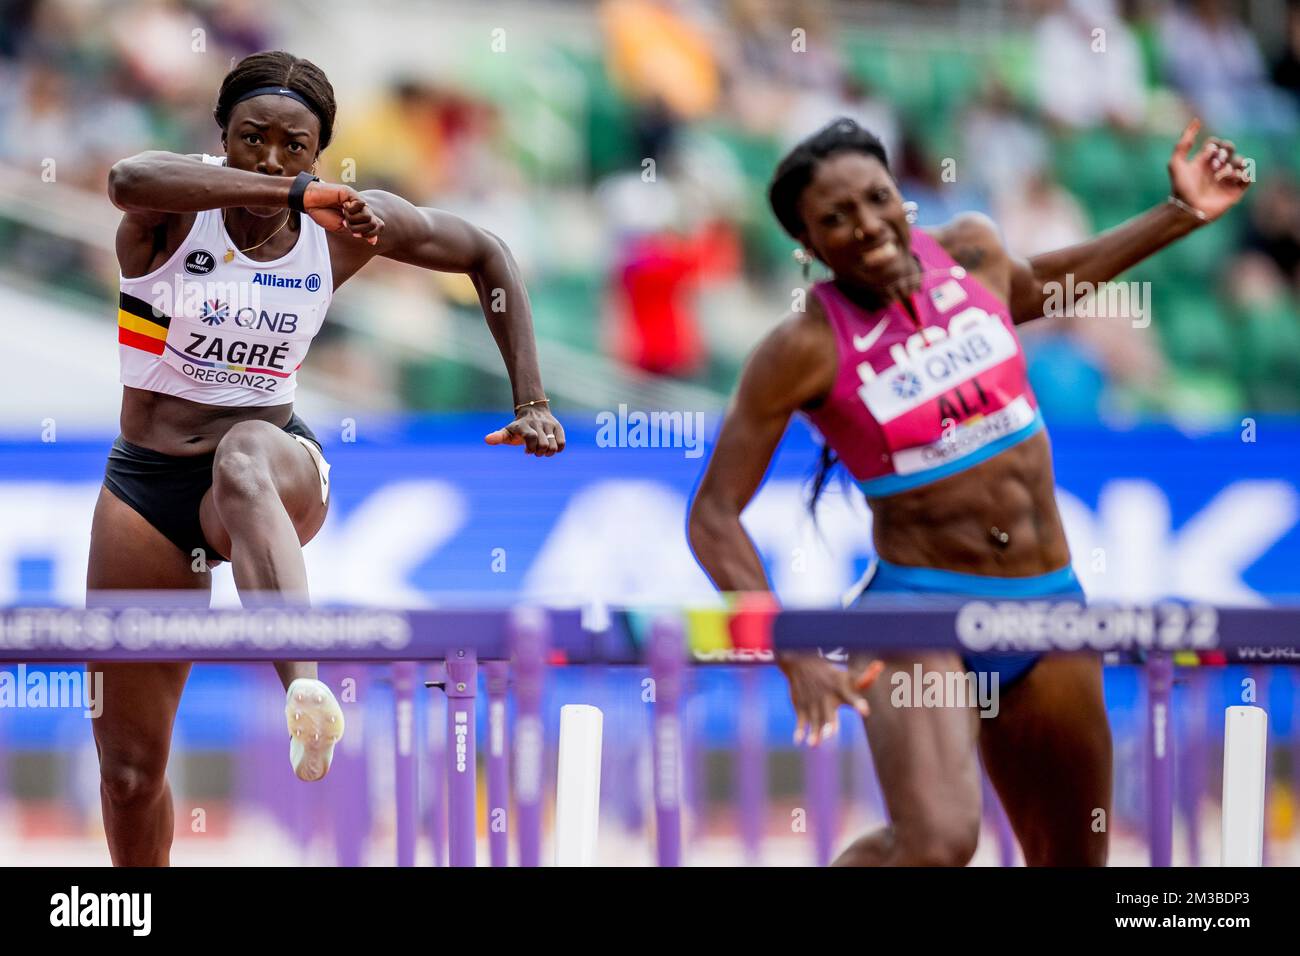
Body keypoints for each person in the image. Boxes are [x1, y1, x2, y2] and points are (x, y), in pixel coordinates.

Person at [687, 116, 1250, 865]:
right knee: (936, 844)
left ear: (901, 196)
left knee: (1075, 857)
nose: (866, 224)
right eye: (835, 219)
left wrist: (1179, 214)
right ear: (809, 247)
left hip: (1046, 605)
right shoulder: (804, 346)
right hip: (918, 614)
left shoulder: (971, 251)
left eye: (876, 198)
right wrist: (791, 651)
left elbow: (1044, 285)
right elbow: (713, 516)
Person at [92, 50, 564, 866]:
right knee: (131, 773)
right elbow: (128, 177)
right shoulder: (170, 209)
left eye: (294, 148)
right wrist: (288, 194)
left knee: (242, 454)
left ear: (320, 152)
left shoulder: (345, 226)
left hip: (277, 469)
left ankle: (303, 691)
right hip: (147, 485)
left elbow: (488, 253)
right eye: (251, 140)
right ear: (222, 139)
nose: (272, 159)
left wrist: (531, 398)